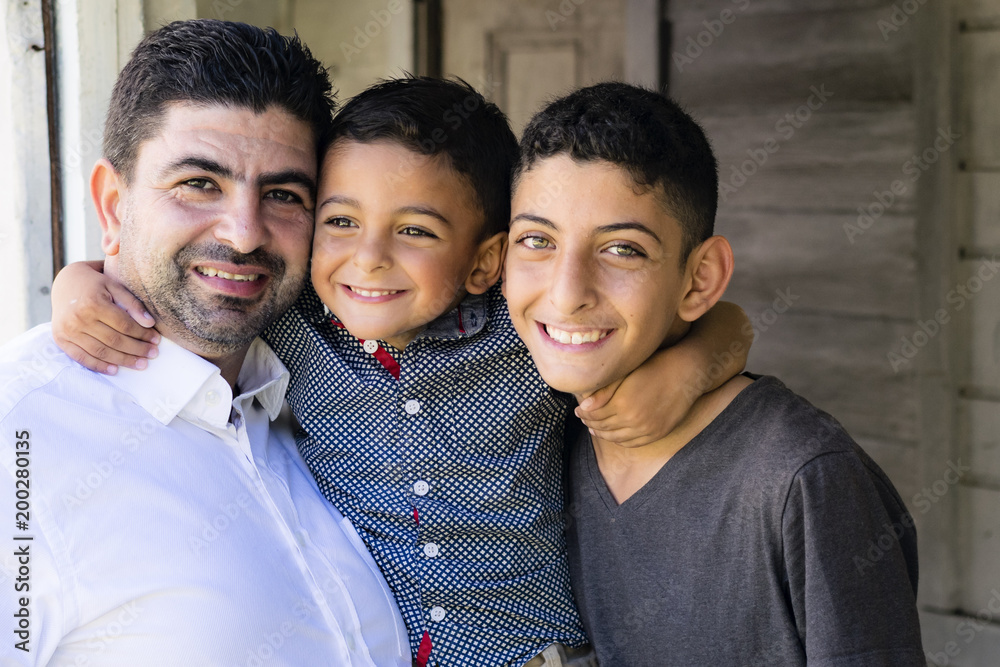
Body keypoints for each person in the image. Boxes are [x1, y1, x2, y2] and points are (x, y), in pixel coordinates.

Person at [48, 76, 752, 666]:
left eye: (415, 230)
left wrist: (685, 371)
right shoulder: (297, 325)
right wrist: (78, 284)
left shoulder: (527, 333)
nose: (370, 257)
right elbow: (180, 277)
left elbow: (724, 323)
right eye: (341, 221)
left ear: (486, 260)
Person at [0, 20, 410, 665]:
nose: (245, 233)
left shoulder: (332, 377)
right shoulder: (18, 438)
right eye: (199, 183)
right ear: (112, 206)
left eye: (282, 194)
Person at [503, 82, 926, 666]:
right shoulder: (531, 428)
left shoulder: (800, 479)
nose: (566, 291)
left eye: (622, 249)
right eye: (536, 240)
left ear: (699, 279)